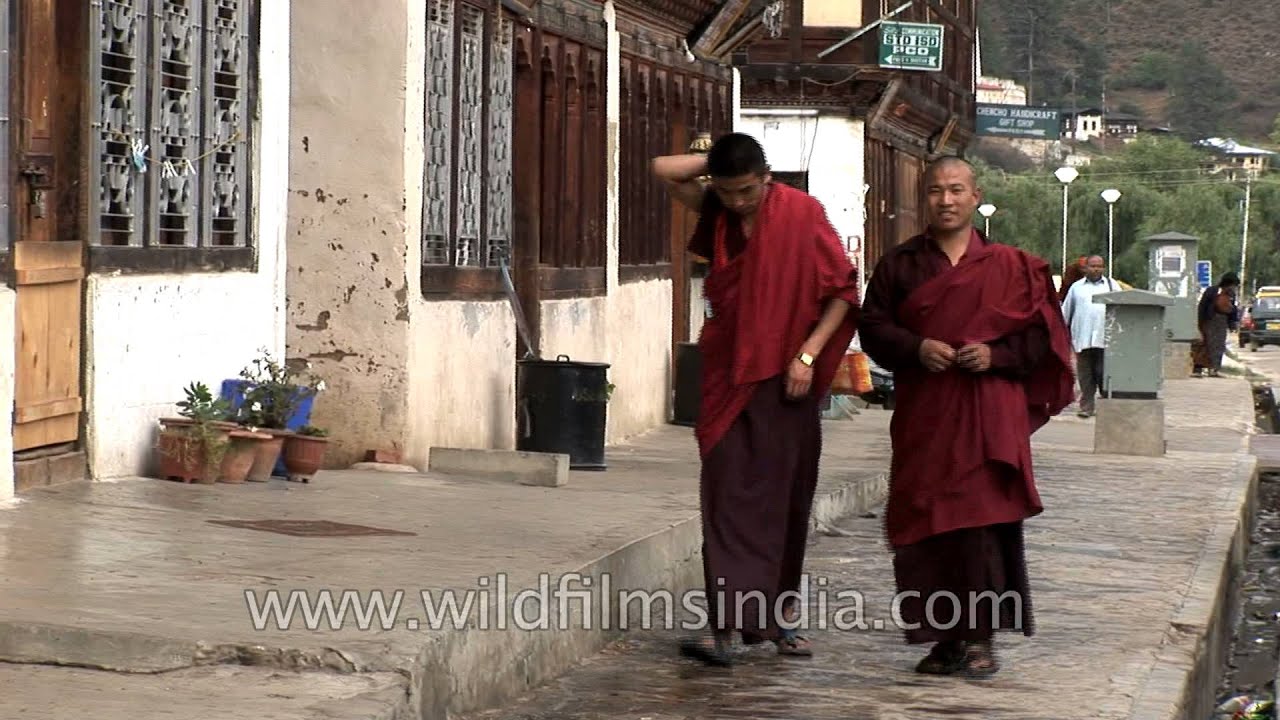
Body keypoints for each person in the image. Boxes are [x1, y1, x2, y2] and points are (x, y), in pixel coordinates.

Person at [858, 156, 1075, 678]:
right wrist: (916, 348)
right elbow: (873, 329)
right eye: (936, 191)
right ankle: (941, 638)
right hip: (927, 415)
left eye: (956, 190)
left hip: (986, 416)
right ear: (923, 196)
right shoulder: (900, 266)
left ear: (976, 196)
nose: (946, 200)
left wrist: (995, 356)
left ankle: (978, 639)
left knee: (981, 528)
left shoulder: (1012, 267)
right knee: (926, 527)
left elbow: (1039, 339)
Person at [651, 133, 859, 666]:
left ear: (767, 178)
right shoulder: (719, 210)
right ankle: (725, 625)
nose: (738, 201)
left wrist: (808, 357)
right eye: (727, 190)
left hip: (787, 377)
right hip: (728, 375)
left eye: (747, 189)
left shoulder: (801, 213)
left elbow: (841, 293)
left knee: (783, 499)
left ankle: (777, 621)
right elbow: (663, 169)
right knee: (725, 499)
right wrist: (719, 158)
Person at [1060, 255, 1118, 417]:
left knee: (1102, 372)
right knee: (1085, 375)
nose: (1096, 269)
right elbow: (1066, 313)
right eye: (1092, 266)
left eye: (1099, 266)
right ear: (1085, 268)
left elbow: (1121, 310)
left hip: (1105, 338)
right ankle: (1087, 407)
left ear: (1104, 268)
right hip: (1082, 338)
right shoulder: (1076, 288)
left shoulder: (1112, 286)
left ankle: (1107, 405)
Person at [1194, 273, 1240, 377]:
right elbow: (1202, 307)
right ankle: (1198, 368)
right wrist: (1200, 323)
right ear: (1228, 283)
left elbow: (1233, 310)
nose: (1233, 288)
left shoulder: (1231, 295)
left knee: (1219, 346)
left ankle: (1214, 369)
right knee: (1206, 345)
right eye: (1233, 285)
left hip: (1221, 322)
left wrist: (1232, 324)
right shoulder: (1212, 291)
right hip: (1210, 321)